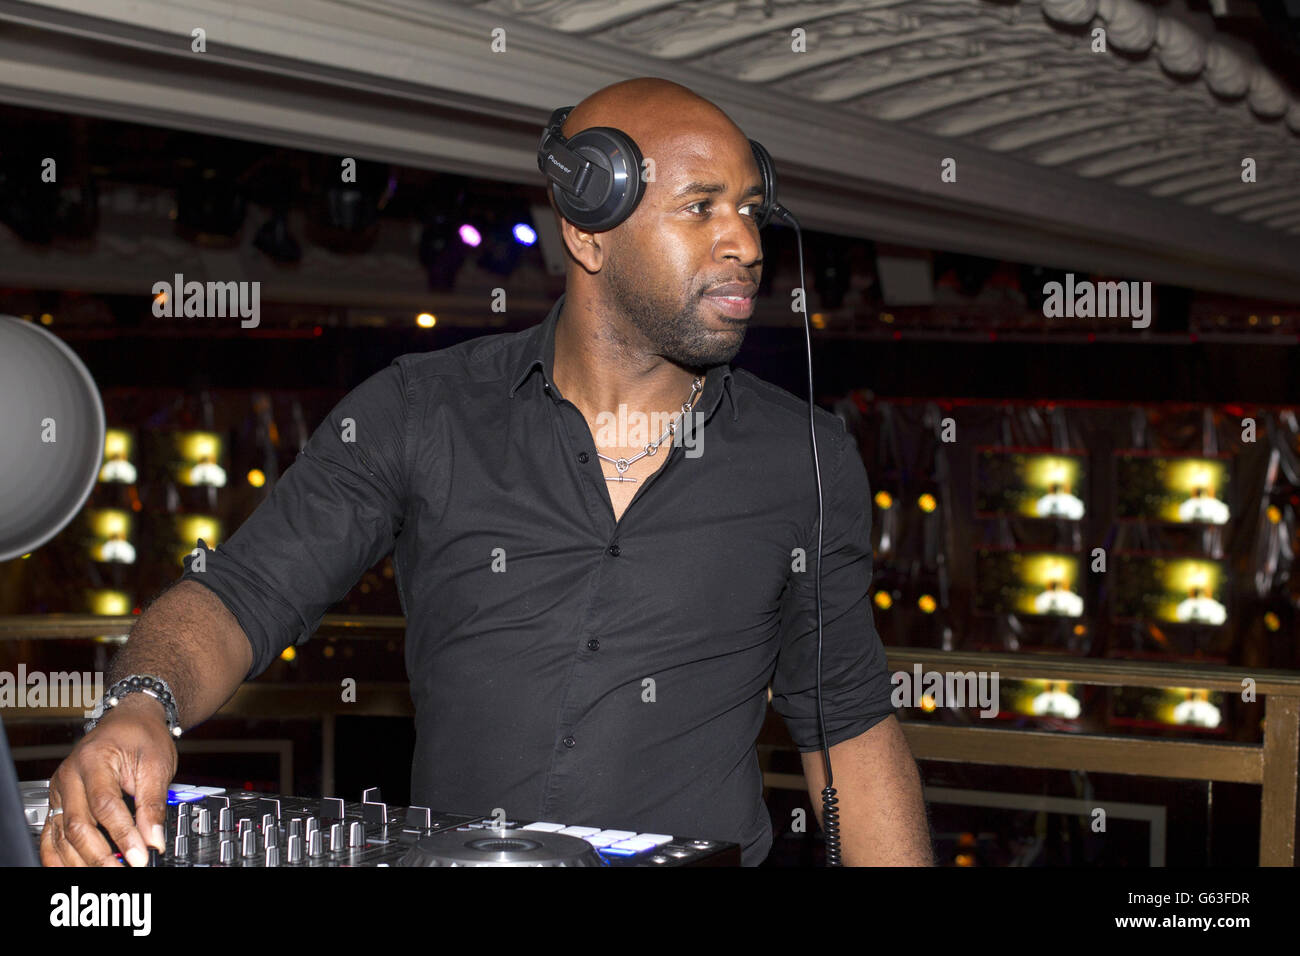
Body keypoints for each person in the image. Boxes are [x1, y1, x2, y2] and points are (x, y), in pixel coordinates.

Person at [40, 77, 932, 867]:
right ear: (587, 231)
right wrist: (144, 704)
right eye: (701, 207)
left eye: (749, 207)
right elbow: (244, 590)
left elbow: (846, 726)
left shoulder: (803, 457)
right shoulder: (419, 411)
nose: (746, 241)